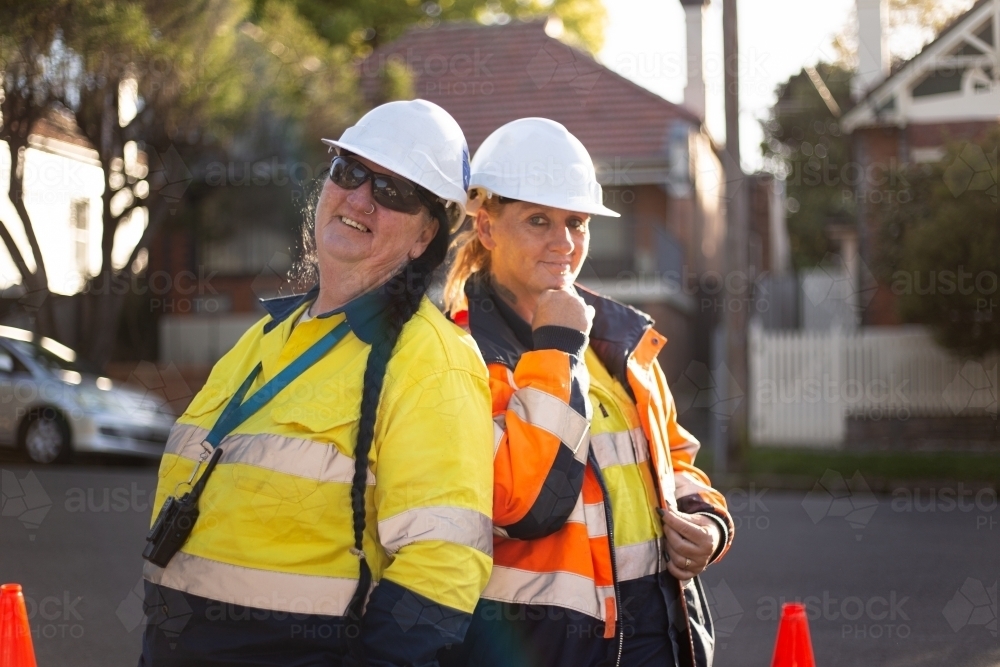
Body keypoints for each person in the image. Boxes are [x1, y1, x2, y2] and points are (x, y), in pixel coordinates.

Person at [139, 100, 495, 667]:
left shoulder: (432, 360)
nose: (359, 198)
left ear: (426, 235)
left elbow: (443, 564)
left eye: (394, 190)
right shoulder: (265, 335)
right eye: (349, 171)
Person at [439, 118, 735, 667]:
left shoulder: (618, 340)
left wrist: (705, 521)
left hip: (658, 632)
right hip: (539, 647)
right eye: (538, 221)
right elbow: (518, 506)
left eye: (577, 222)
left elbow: (672, 458)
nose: (565, 243)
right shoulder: (452, 349)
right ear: (486, 227)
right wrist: (555, 345)